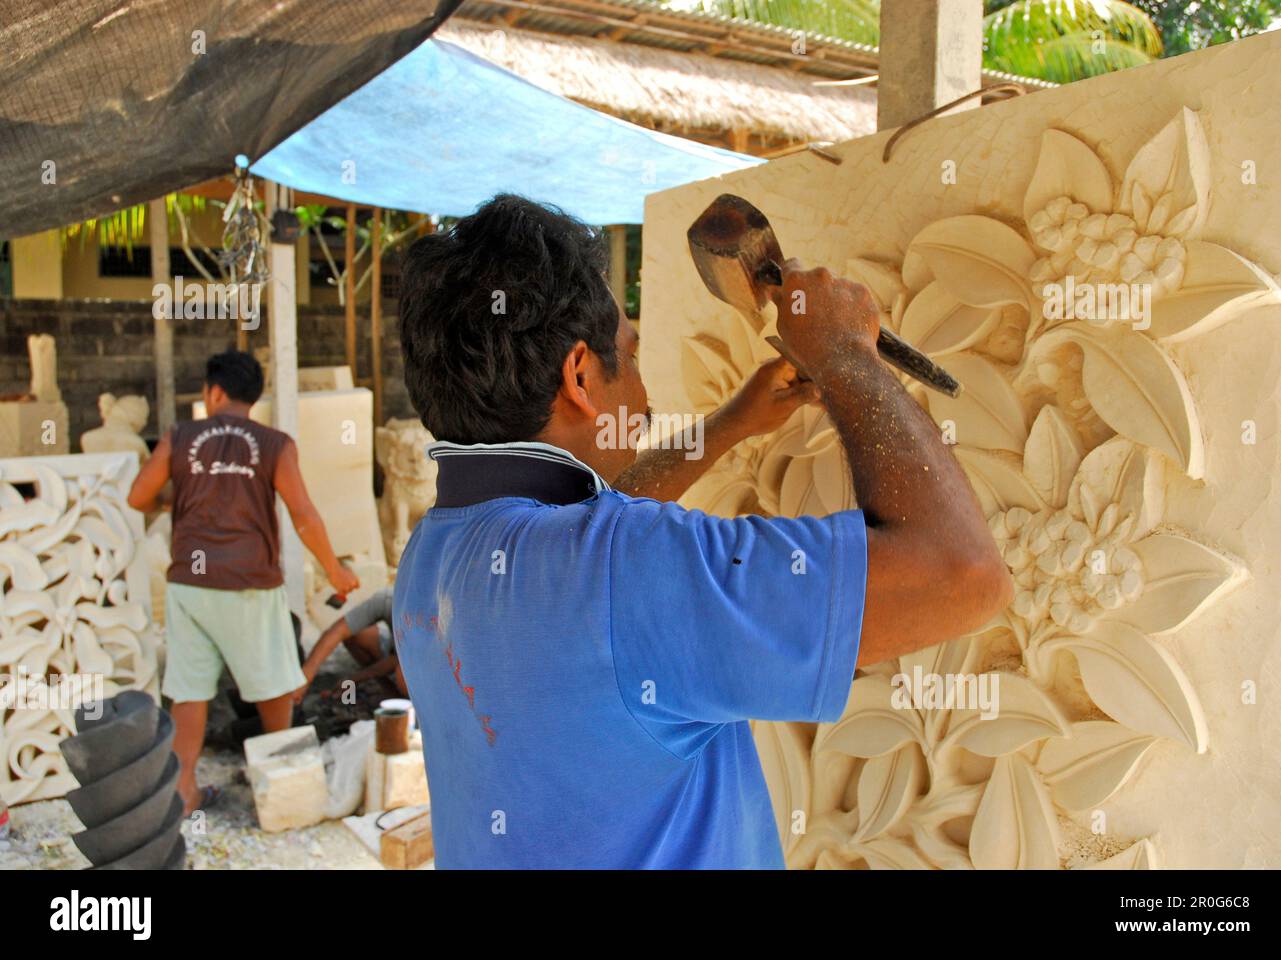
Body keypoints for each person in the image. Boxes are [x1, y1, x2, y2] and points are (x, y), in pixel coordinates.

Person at [394, 194, 1013, 868]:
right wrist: (844, 357)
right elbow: (965, 576)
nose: (645, 393)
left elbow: (580, 553)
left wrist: (729, 426)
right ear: (579, 375)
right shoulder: (625, 571)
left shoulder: (434, 555)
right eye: (628, 357)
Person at [127, 349, 359, 815]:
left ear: (214, 392)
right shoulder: (275, 443)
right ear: (254, 397)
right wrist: (335, 568)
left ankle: (184, 792)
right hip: (250, 581)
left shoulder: (180, 436)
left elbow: (138, 496)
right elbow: (303, 515)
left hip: (190, 584)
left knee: (190, 690)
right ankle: (280, 793)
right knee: (273, 686)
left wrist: (182, 497)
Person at [296, 587, 406, 701]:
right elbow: (339, 630)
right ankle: (390, 692)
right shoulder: (389, 599)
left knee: (402, 674)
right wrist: (306, 676)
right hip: (396, 648)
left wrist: (354, 679)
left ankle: (414, 707)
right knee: (356, 635)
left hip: (418, 663)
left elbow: (397, 661)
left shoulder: (423, 611)